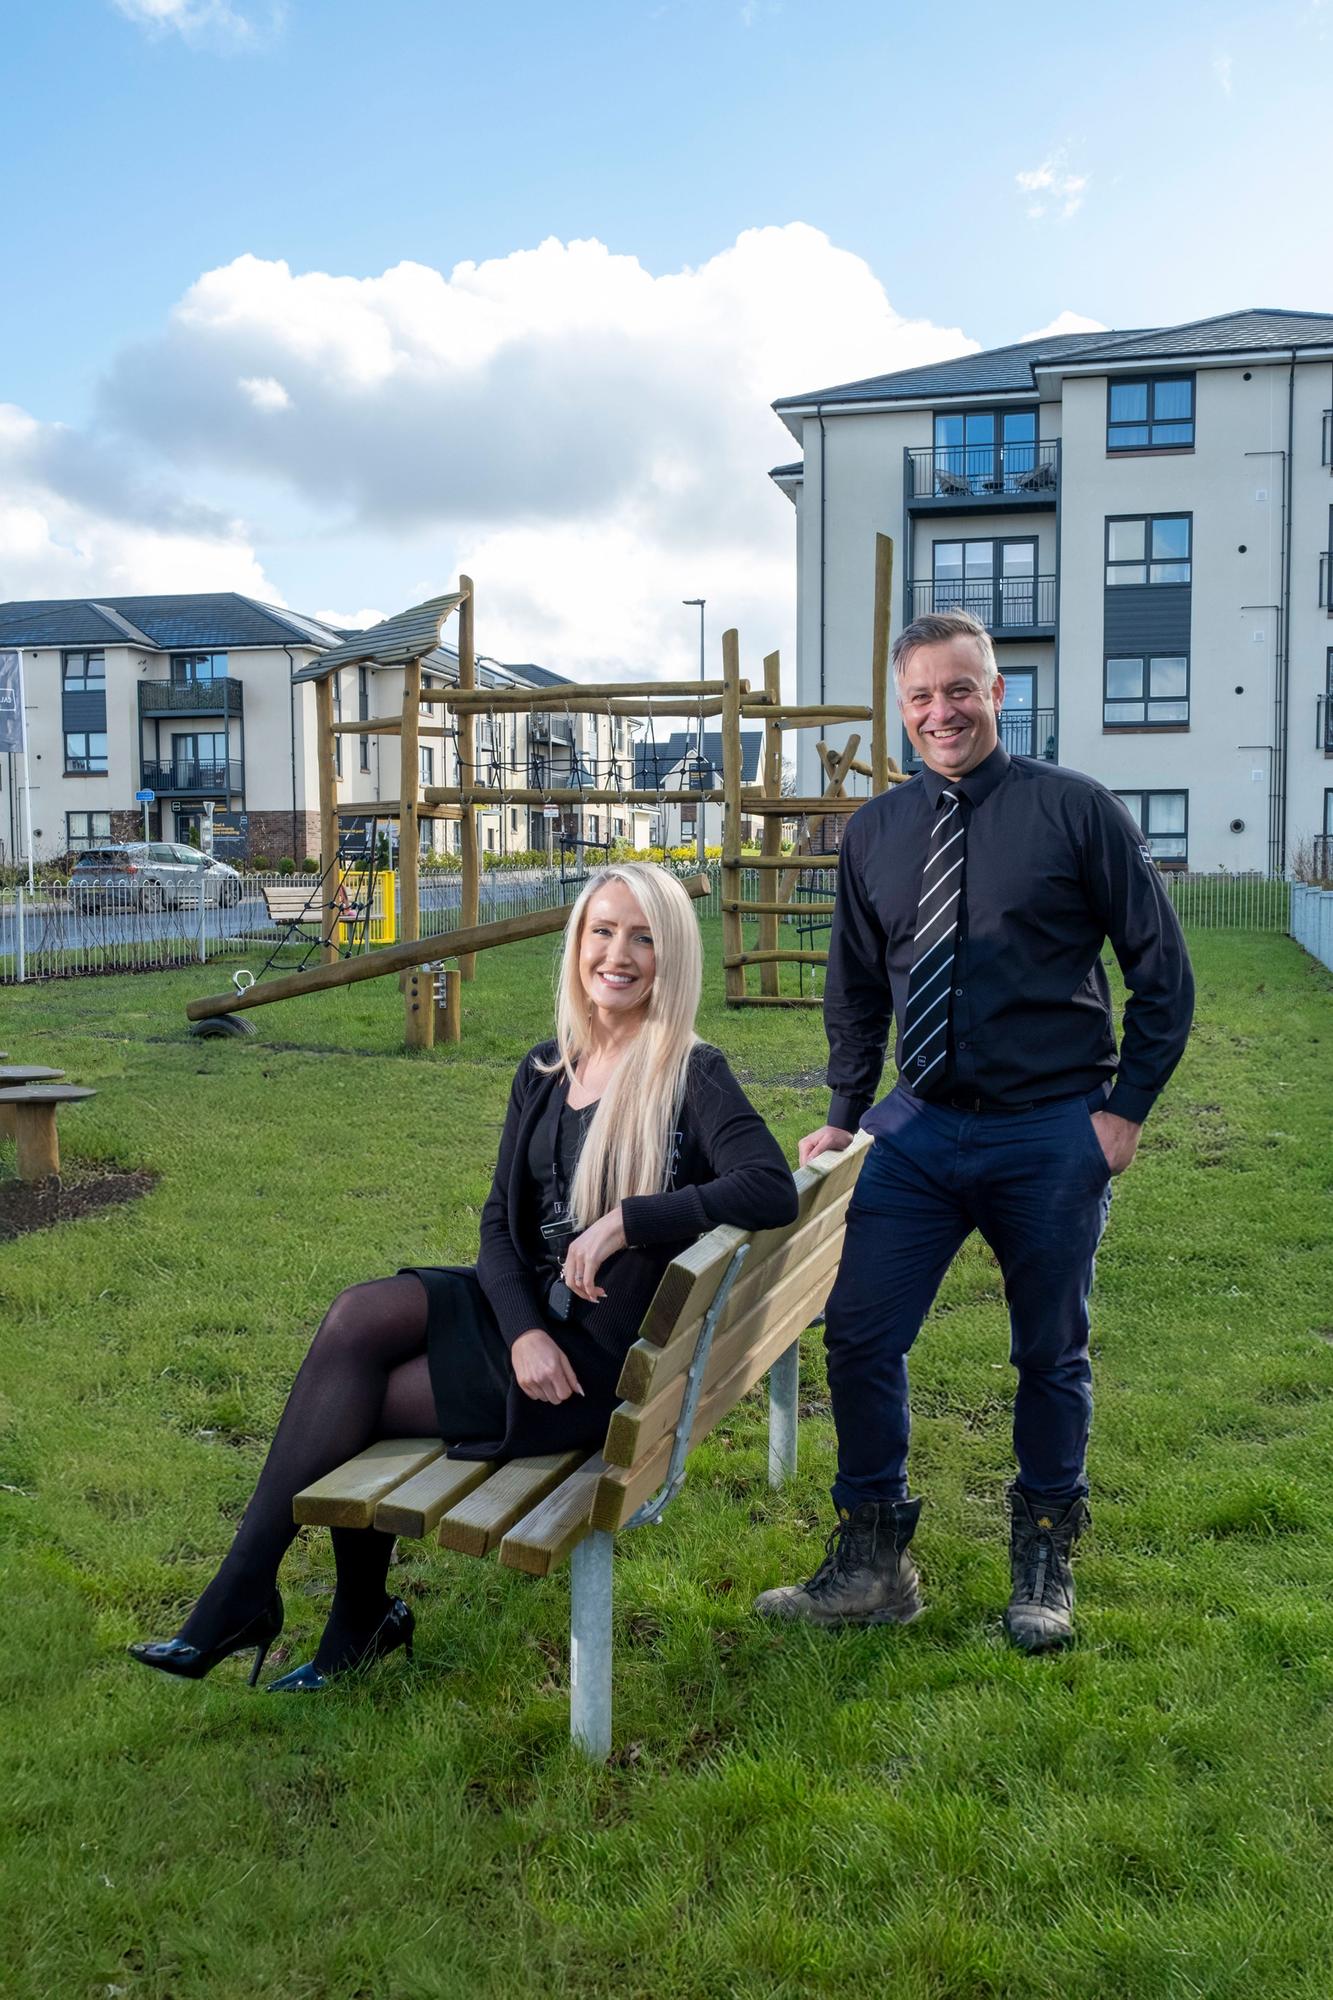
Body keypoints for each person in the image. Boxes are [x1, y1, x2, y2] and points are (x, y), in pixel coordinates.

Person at [130, 863, 797, 1691]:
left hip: (587, 1366)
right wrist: (518, 1331)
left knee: (362, 1400)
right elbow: (495, 1226)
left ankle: (311, 1612)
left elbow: (767, 1186)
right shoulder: (547, 1067)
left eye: (642, 937)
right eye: (601, 930)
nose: (616, 954)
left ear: (671, 958)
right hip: (531, 1326)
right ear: (576, 943)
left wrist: (629, 1218)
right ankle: (260, 1592)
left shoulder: (690, 1074)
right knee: (358, 1319)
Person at [754, 609, 1194, 1651]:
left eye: (960, 690)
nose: (941, 712)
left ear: (997, 691)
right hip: (918, 1127)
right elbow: (856, 989)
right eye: (920, 696)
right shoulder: (873, 833)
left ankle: (1043, 1556)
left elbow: (1162, 975)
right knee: (859, 1331)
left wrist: (1121, 1111)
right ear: (900, 708)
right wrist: (841, 1113)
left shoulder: (1076, 812)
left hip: (1051, 1127)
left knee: (1049, 1350)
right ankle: (871, 1561)